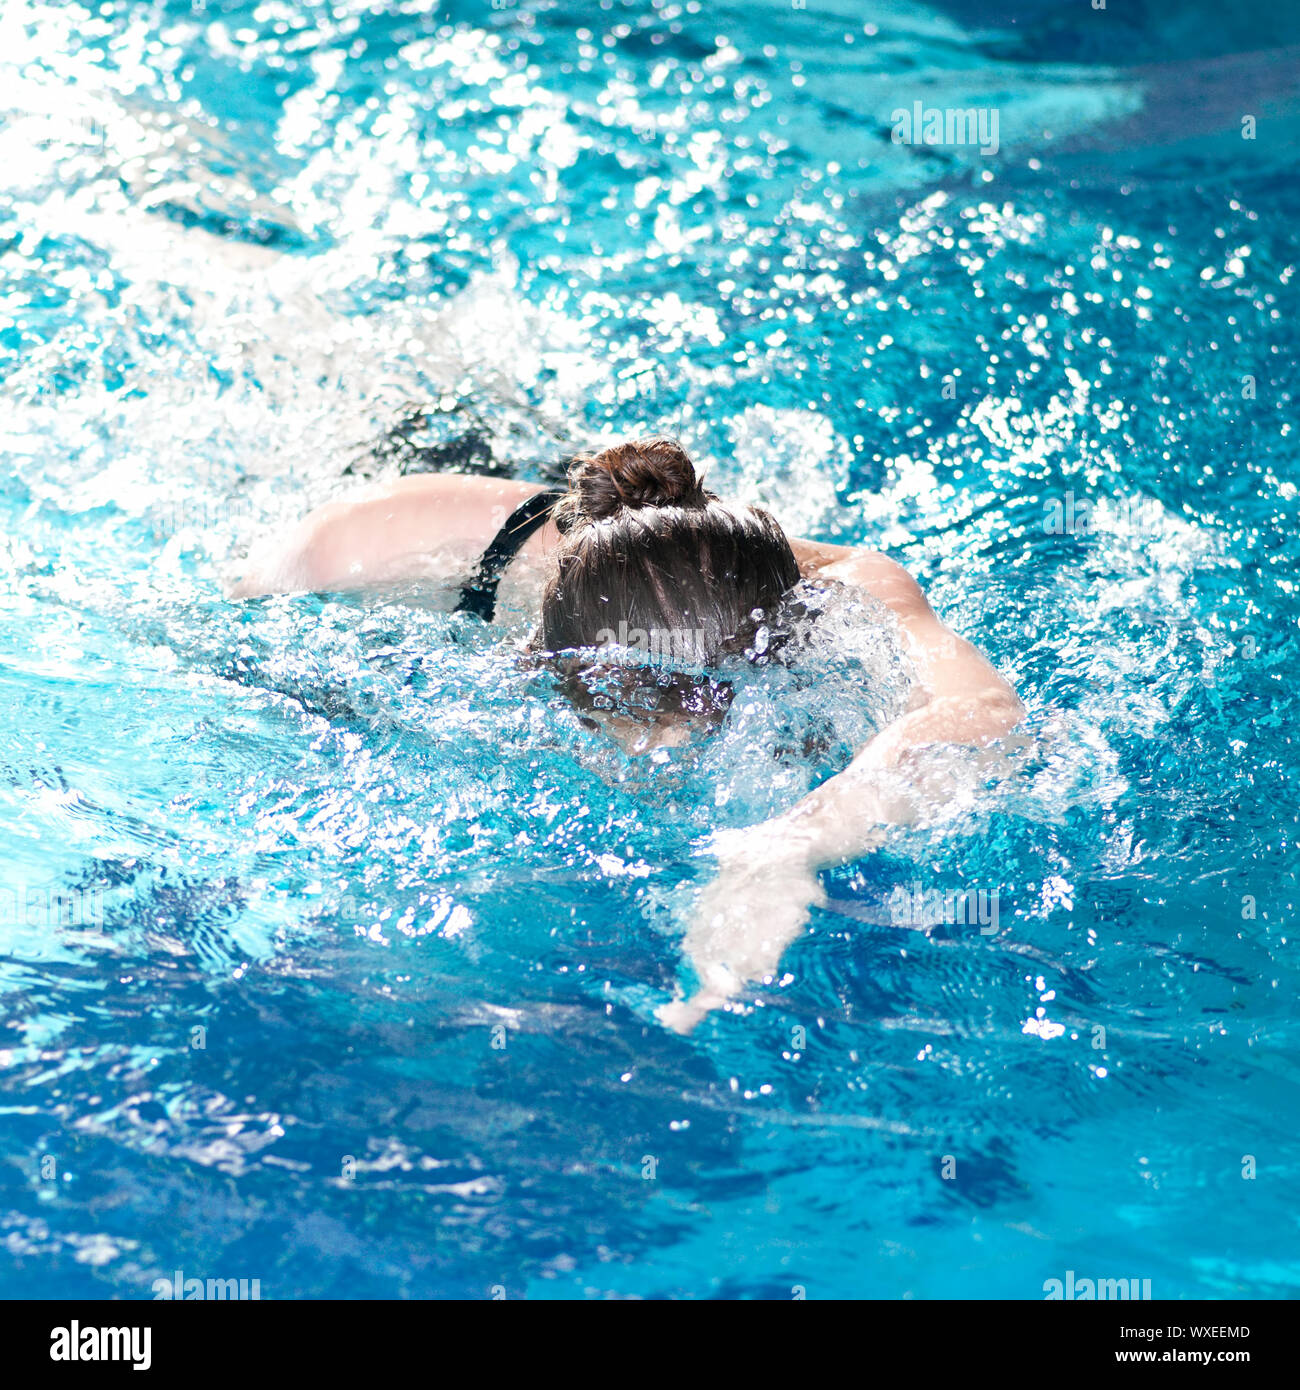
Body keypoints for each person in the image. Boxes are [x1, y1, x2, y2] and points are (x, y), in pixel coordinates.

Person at [230, 437, 1023, 1030]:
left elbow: (987, 719)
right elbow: (221, 614)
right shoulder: (394, 536)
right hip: (427, 446)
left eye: (717, 708)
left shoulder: (846, 591)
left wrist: (794, 843)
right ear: (544, 660)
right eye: (634, 709)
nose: (671, 752)